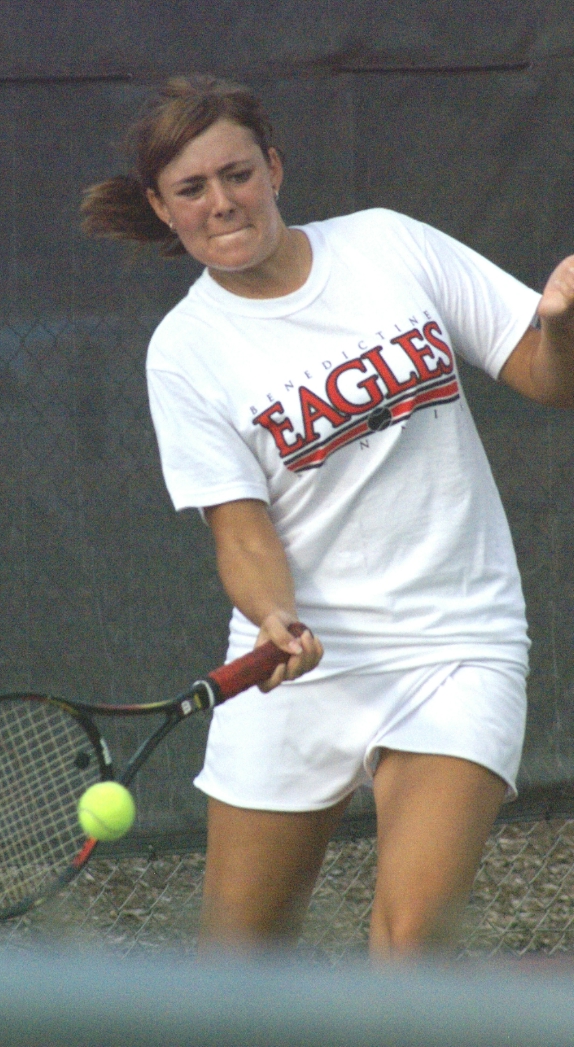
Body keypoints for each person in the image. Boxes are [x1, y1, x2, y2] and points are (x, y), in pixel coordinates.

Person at [82, 75, 574, 959]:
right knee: (238, 970)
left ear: (273, 166)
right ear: (162, 208)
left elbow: (547, 375)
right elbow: (241, 530)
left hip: (452, 642)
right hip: (293, 661)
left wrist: (564, 326)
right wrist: (275, 620)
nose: (221, 202)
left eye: (236, 173)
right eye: (192, 189)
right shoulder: (186, 353)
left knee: (412, 941)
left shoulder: (387, 244)